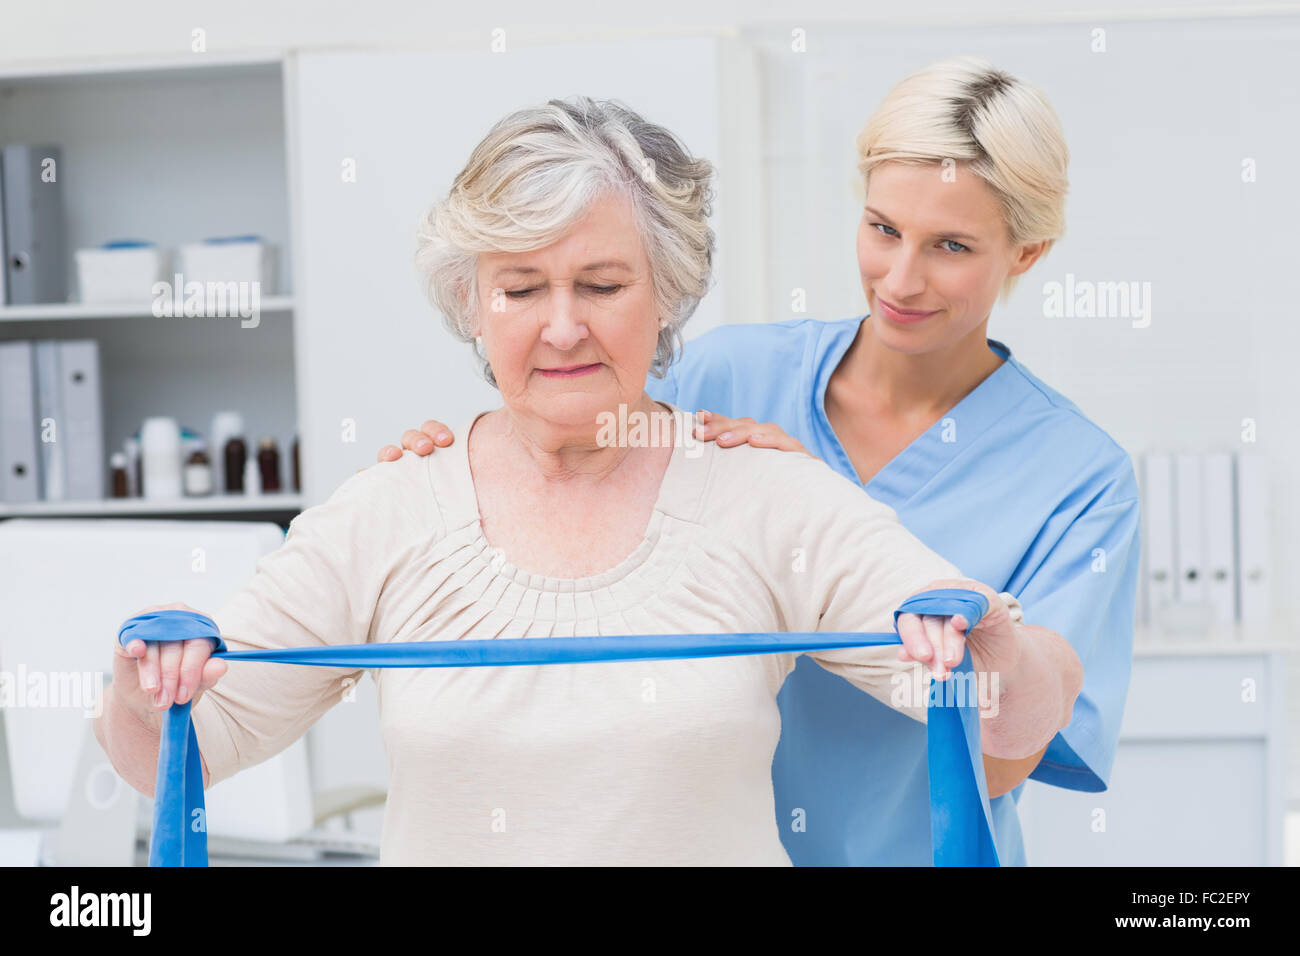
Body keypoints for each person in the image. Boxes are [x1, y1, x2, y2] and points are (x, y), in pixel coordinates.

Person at [96, 94, 1082, 866]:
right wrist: (152, 686)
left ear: (667, 295)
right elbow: (176, 751)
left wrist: (996, 640)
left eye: (602, 285)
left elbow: (1012, 703)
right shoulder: (390, 508)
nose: (560, 324)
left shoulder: (763, 493)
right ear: (472, 305)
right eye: (521, 288)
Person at [379, 57, 1139, 866]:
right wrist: (458, 469)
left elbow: (1003, 757)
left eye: (951, 246)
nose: (902, 278)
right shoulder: (724, 376)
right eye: (883, 229)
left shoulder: (1080, 478)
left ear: (1026, 253)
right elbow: (561, 476)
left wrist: (815, 525)